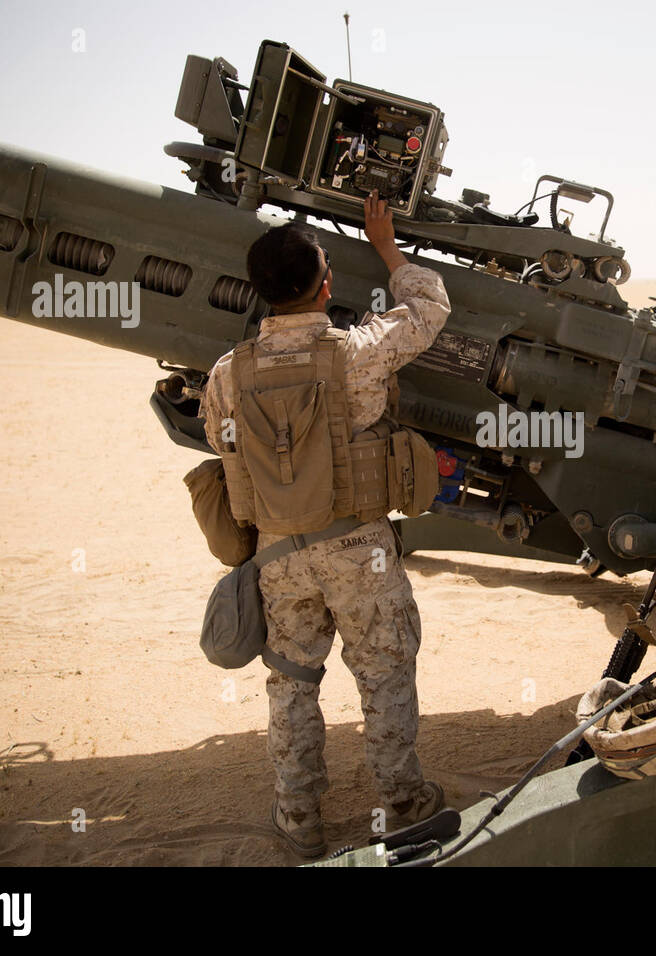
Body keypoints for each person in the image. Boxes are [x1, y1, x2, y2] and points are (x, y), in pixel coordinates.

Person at [201, 190, 451, 859]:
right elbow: (429, 310)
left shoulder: (228, 374)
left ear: (258, 291)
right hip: (359, 549)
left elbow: (221, 442)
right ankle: (403, 802)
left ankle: (298, 817)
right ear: (327, 284)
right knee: (385, 672)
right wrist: (389, 249)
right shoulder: (357, 353)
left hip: (279, 554)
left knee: (290, 680)